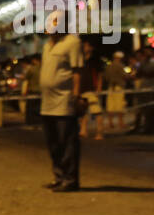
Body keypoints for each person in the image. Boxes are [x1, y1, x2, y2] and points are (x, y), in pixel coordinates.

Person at [39, 11, 84, 191]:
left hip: (64, 101)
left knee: (67, 143)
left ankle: (70, 179)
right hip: (47, 103)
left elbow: (77, 71)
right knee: (53, 143)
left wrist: (76, 95)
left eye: (55, 21)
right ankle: (58, 175)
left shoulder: (73, 42)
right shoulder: (47, 46)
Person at [78, 42, 105, 141]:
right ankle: (83, 130)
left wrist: (99, 88)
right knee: (83, 112)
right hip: (82, 89)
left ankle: (100, 132)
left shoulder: (95, 60)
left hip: (92, 89)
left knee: (97, 111)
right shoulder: (80, 60)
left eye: (86, 46)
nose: (84, 48)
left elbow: (100, 75)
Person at [103, 50, 129, 133]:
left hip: (110, 87)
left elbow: (106, 77)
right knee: (120, 105)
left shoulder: (109, 66)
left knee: (111, 105)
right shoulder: (120, 66)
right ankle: (120, 123)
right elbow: (124, 76)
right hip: (119, 87)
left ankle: (110, 122)